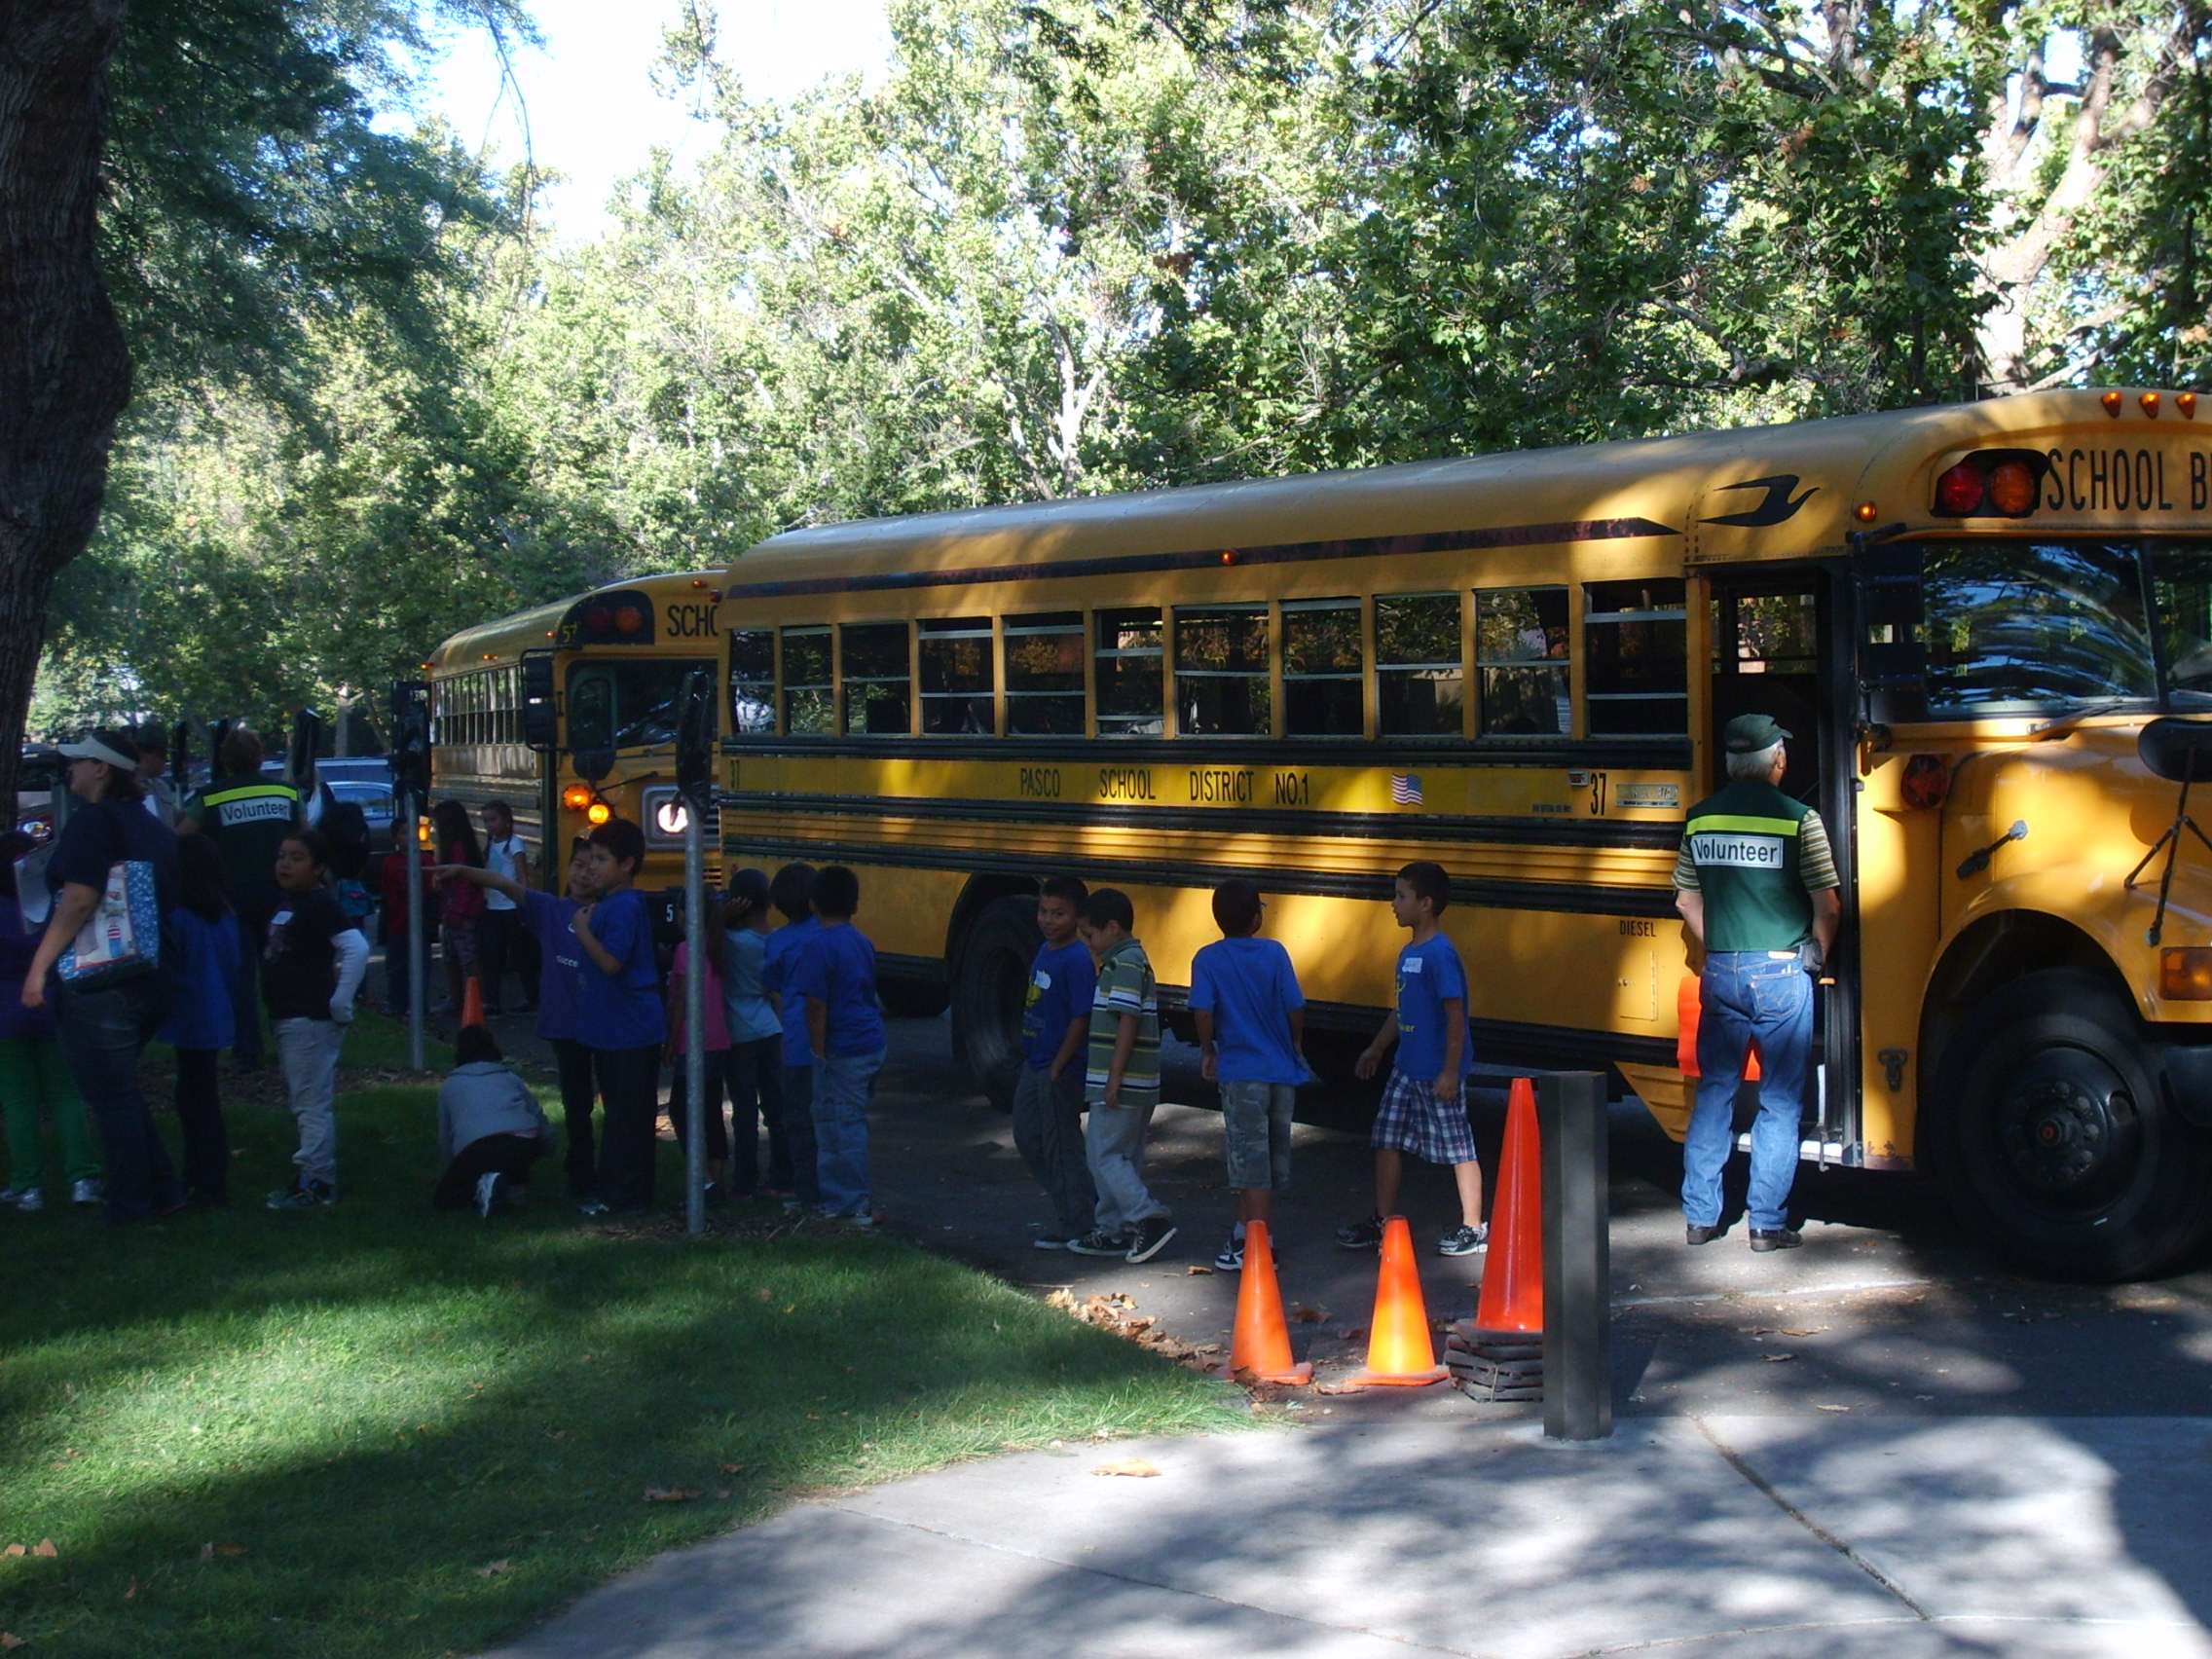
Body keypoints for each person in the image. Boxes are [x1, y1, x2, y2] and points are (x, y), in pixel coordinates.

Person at [1675, 713, 1842, 1253]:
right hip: (1781, 970)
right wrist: (1815, 957)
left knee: (1715, 1093)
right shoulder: (1801, 819)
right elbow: (1828, 905)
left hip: (1722, 968)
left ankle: (1700, 1218)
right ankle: (1767, 1224)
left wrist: (1718, 942)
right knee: (1779, 1101)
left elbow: (1684, 897)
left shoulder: (1700, 820)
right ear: (1777, 760)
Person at [22, 731, 183, 1225]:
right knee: (121, 1090)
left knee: (110, 1098)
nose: (69, 770)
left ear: (101, 769)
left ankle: (130, 1203)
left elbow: (78, 899)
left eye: (78, 762)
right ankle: (163, 1189)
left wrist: (38, 969)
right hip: (154, 975)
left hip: (101, 984)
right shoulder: (150, 824)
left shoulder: (93, 823)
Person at [1340, 860, 1487, 1257]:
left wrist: (1450, 1071)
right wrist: (1377, 1047)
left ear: (1426, 904)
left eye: (1401, 896)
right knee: (1386, 1140)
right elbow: (1403, 1006)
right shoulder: (1409, 952)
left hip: (1436, 1070)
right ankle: (1383, 1220)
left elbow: (1456, 1016)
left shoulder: (1440, 954)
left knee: (1459, 1147)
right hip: (1406, 1068)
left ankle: (1474, 1227)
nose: (1394, 903)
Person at [435, 839, 598, 1199]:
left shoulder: (610, 912)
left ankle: (612, 1173)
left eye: (592, 866)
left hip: (603, 1026)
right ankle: (580, 1175)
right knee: (577, 1106)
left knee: (612, 1105)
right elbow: (505, 883)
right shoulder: (552, 910)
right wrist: (463, 872)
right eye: (578, 865)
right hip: (565, 1026)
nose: (583, 874)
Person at [1190, 877, 1306, 1271]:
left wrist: (1208, 1049)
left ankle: (1259, 1244)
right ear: (1256, 917)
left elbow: (1203, 1011)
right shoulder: (1275, 953)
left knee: (1248, 1161)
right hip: (1279, 1072)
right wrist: (1295, 1044)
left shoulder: (1208, 959)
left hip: (1241, 1074)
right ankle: (1246, 1230)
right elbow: (1294, 1005)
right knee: (1268, 1159)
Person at [180, 725, 300, 1071]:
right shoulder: (286, 793)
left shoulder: (209, 796)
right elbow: (305, 836)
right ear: (260, 756)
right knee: (281, 970)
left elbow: (182, 841)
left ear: (225, 760)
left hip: (231, 897)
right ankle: (291, 1044)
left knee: (240, 976)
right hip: (279, 894)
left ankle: (247, 1050)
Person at [263, 827, 370, 1208]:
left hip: (309, 1017)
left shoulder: (318, 903)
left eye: (297, 858)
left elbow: (356, 947)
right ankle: (311, 1175)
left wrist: (340, 1000)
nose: (286, 864)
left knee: (311, 1102)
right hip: (288, 1015)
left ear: (318, 867)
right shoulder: (287, 901)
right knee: (303, 1098)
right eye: (282, 856)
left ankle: (317, 1180)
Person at [1068, 887, 1174, 1264]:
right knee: (1119, 1155)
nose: (1088, 944)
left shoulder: (1125, 963)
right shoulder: (1126, 960)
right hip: (1134, 1082)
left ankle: (1148, 1216)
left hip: (1123, 1083)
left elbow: (1128, 1019)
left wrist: (1114, 1077)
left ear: (1113, 928)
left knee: (1104, 1154)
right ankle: (1114, 1228)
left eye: (1090, 935)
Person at [0, 829, 101, 1213]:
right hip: (52, 1006)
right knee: (65, 1095)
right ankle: (83, 1178)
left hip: (5, 1015)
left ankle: (28, 1186)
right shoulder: (51, 908)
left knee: (18, 1103)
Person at [571, 818, 667, 1216]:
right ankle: (617, 1192)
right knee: (620, 1115)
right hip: (614, 1030)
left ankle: (626, 1197)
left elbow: (612, 963)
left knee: (628, 1119)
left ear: (626, 864)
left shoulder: (624, 906)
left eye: (602, 858)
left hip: (631, 1031)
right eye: (590, 857)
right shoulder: (611, 904)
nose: (593, 866)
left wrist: (583, 931)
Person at [790, 865, 883, 1224]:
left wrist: (818, 1051)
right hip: (870, 1041)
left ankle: (847, 1201)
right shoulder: (861, 941)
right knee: (853, 1120)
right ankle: (850, 1197)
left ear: (813, 903)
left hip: (841, 1048)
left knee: (836, 1126)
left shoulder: (818, 948)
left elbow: (816, 1006)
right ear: (854, 905)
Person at [1014, 874, 1097, 1250]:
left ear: (1078, 918)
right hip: (1035, 1062)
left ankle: (1077, 1223)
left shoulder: (1077, 959)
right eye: (1043, 911)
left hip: (1058, 1067)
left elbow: (1081, 1018)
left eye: (1058, 913)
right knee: (1028, 1136)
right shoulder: (1046, 950)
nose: (1048, 920)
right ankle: (1082, 1204)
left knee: (1061, 1145)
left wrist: (1059, 1066)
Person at [160, 832, 241, 1205]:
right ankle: (204, 1175)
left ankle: (206, 1180)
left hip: (191, 1015)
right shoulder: (223, 915)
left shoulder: (179, 918)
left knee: (196, 1101)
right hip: (215, 1012)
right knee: (199, 1096)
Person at [433, 1023, 552, 1216]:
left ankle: (485, 1187)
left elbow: (445, 1135)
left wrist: (454, 1169)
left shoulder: (450, 1085)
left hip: (477, 1146)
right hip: (524, 1140)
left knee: (444, 1201)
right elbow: (537, 1114)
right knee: (513, 1156)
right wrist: (547, 1146)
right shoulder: (510, 1077)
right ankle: (513, 1186)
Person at [721, 866, 789, 1199]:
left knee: (744, 1111)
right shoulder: (775, 939)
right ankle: (782, 1175)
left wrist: (720, 917)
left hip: (739, 1031)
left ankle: (745, 1181)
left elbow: (704, 943)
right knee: (776, 1107)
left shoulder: (733, 942)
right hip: (770, 1026)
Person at [762, 862, 822, 1212]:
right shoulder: (826, 933)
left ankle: (806, 1191)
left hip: (797, 1041)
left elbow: (770, 981)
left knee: (798, 1120)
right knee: (829, 1120)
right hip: (830, 1043)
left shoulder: (779, 941)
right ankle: (831, 1187)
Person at [665, 898, 732, 1202]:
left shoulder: (685, 950)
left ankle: (702, 1179)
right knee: (712, 1111)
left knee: (681, 1109)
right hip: (719, 1039)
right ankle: (716, 1181)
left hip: (694, 1041)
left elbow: (681, 1002)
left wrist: (670, 1042)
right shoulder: (719, 946)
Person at [478, 801, 535, 1014]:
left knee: (521, 955)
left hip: (512, 907)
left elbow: (522, 875)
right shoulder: (491, 844)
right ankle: (491, 1001)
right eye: (486, 821)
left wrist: (524, 902)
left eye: (493, 819)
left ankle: (532, 997)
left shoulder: (514, 844)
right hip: (494, 907)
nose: (489, 825)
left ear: (506, 820)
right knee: (492, 956)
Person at [431, 799, 486, 1015]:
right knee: (453, 957)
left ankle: (474, 1001)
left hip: (462, 913)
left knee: (467, 958)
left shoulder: (458, 848)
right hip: (455, 910)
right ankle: (459, 999)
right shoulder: (460, 845)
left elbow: (464, 884)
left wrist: (456, 911)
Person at [134, 726, 183, 830]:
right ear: (142, 756)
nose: (165, 760)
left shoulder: (161, 786)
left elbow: (174, 818)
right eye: (161, 755)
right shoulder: (128, 786)